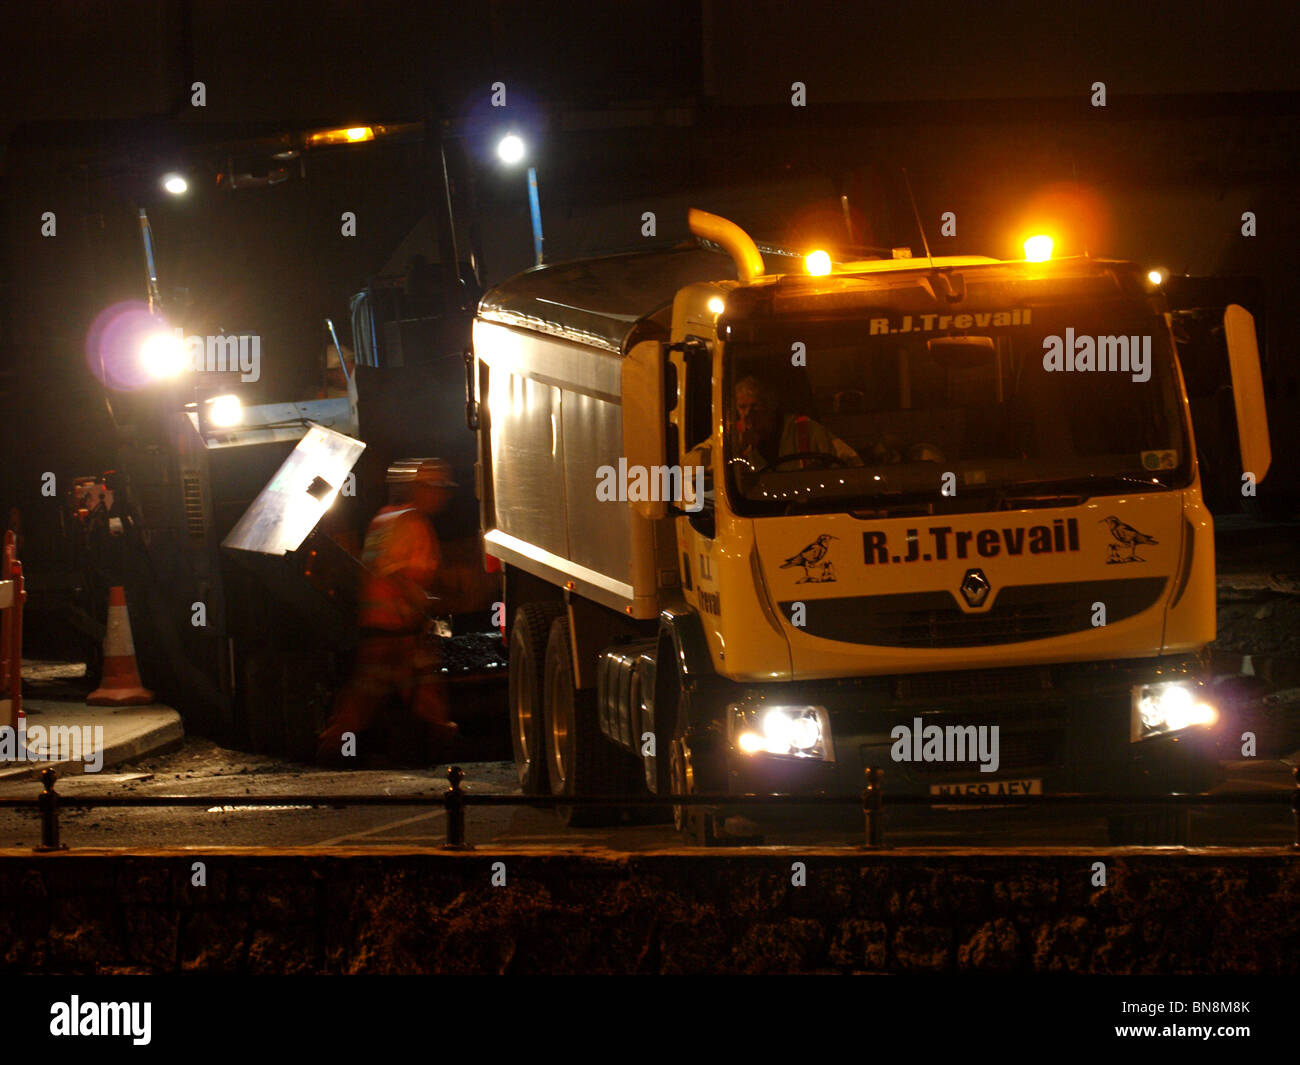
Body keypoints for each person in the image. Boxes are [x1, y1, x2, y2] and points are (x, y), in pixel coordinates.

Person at [316, 458, 459, 766]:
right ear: (420, 489)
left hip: (386, 631)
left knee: (415, 694)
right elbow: (394, 572)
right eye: (436, 489)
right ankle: (332, 749)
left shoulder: (386, 518)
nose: (442, 496)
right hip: (395, 633)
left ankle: (335, 745)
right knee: (377, 697)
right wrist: (424, 602)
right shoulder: (410, 522)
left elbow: (378, 567)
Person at [731, 374, 861, 470]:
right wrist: (737, 449)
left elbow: (850, 460)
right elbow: (711, 465)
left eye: (755, 407)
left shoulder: (804, 427)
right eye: (742, 407)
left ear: (771, 407)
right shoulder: (730, 435)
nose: (747, 414)